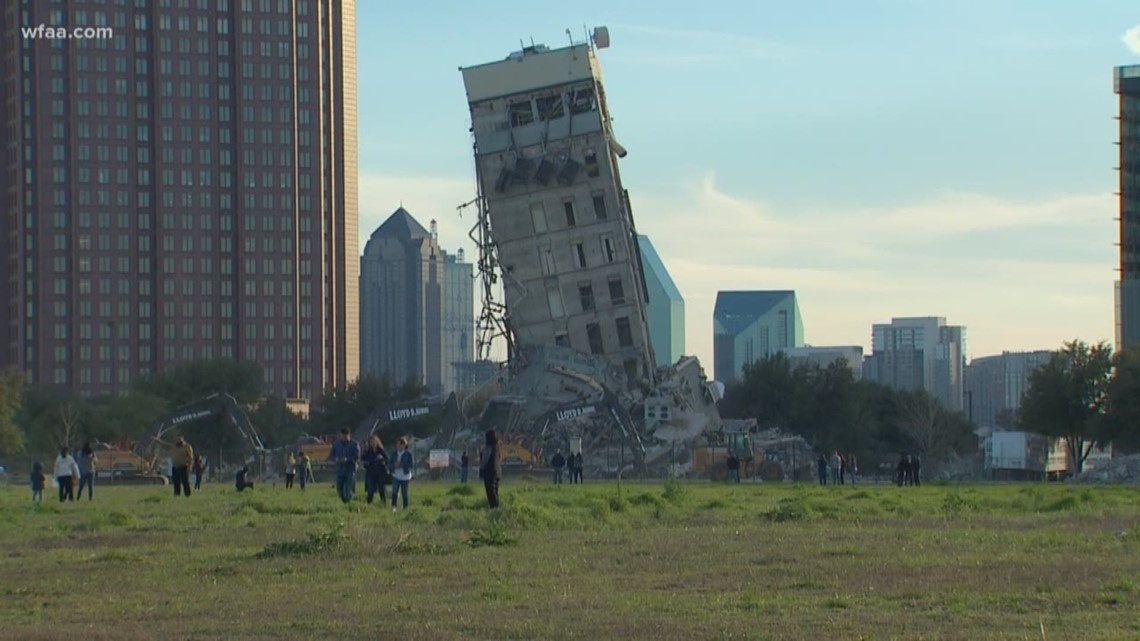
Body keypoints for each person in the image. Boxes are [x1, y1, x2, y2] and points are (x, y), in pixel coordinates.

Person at [327, 429, 360, 504]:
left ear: (349, 435)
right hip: (340, 469)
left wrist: (348, 459)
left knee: (349, 487)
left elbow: (357, 456)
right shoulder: (336, 444)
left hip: (350, 469)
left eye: (346, 436)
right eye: (343, 436)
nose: (344, 438)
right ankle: (344, 500)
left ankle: (348, 502)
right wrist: (335, 459)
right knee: (339, 488)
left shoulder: (354, 444)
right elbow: (331, 456)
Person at [361, 435, 389, 505]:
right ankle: (369, 504)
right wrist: (363, 449)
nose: (373, 443)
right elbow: (363, 458)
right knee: (370, 490)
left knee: (381, 489)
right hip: (371, 472)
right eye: (371, 442)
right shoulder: (368, 451)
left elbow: (388, 459)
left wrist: (382, 459)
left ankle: (383, 503)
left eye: (374, 441)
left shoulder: (381, 450)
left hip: (380, 472)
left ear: (377, 442)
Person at [390, 437, 414, 511]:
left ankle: (405, 507)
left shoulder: (408, 454)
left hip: (405, 476)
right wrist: (394, 465)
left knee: (404, 493)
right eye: (399, 444)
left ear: (405, 445)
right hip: (396, 475)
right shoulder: (394, 453)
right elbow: (389, 463)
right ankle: (394, 507)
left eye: (402, 444)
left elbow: (411, 465)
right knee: (394, 491)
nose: (400, 446)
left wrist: (401, 465)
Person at [481, 430, 502, 509]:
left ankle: (494, 509)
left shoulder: (487, 449)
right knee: (495, 492)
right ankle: (497, 508)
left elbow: (484, 461)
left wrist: (481, 470)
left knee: (490, 493)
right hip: (497, 473)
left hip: (489, 474)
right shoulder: (497, 449)